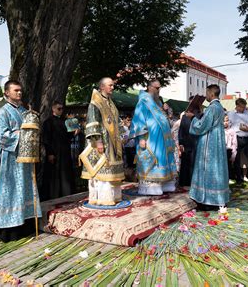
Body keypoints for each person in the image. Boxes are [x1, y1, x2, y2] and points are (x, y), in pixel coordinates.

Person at [0, 80, 41, 242]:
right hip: (11, 158)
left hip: (26, 159)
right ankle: (10, 229)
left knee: (26, 189)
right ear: (7, 92)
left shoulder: (24, 111)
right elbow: (1, 136)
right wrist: (23, 134)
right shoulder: (2, 112)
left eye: (20, 90)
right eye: (15, 90)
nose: (19, 93)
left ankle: (26, 223)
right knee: (11, 190)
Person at [80, 77, 125, 205]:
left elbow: (116, 122)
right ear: (102, 87)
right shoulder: (95, 103)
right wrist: (98, 141)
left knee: (111, 170)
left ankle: (114, 197)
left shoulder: (110, 103)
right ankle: (102, 198)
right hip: (102, 142)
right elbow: (93, 124)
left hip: (112, 142)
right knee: (102, 170)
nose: (112, 87)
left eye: (112, 85)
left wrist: (121, 137)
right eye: (110, 85)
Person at [130, 80, 177, 195]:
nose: (158, 90)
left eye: (159, 88)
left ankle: (165, 183)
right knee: (154, 160)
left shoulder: (157, 102)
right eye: (156, 88)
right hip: (150, 138)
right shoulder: (143, 101)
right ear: (149, 87)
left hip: (162, 140)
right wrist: (141, 137)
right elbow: (138, 119)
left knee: (163, 158)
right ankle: (150, 186)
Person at [186, 84, 229, 210]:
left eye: (207, 93)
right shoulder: (219, 107)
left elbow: (202, 126)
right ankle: (218, 198)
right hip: (218, 141)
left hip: (210, 141)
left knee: (207, 167)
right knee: (217, 168)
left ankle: (207, 200)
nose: (206, 96)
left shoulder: (212, 108)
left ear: (211, 93)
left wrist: (193, 118)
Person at [41, 101, 76, 200]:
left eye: (62, 109)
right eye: (58, 109)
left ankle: (66, 194)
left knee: (65, 174)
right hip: (54, 152)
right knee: (54, 175)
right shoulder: (48, 122)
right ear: (53, 109)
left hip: (65, 152)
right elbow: (46, 139)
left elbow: (69, 137)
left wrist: (74, 132)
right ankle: (53, 196)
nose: (61, 111)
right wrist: (50, 153)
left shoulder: (66, 121)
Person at [228, 98, 248, 183]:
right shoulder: (231, 114)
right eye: (241, 107)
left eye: (244, 107)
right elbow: (228, 126)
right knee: (237, 159)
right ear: (237, 106)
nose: (243, 109)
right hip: (236, 137)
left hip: (246, 137)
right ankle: (238, 179)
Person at [178, 97, 199, 187]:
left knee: (194, 163)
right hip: (186, 143)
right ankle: (184, 182)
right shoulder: (184, 116)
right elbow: (181, 130)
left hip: (196, 143)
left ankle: (193, 183)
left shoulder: (199, 116)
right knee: (185, 163)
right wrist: (180, 143)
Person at [224, 114, 237, 180]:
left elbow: (234, 143)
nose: (225, 122)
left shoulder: (232, 131)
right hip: (221, 150)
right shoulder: (219, 131)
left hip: (229, 150)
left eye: (227, 120)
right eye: (224, 121)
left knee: (229, 165)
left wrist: (233, 153)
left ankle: (229, 178)